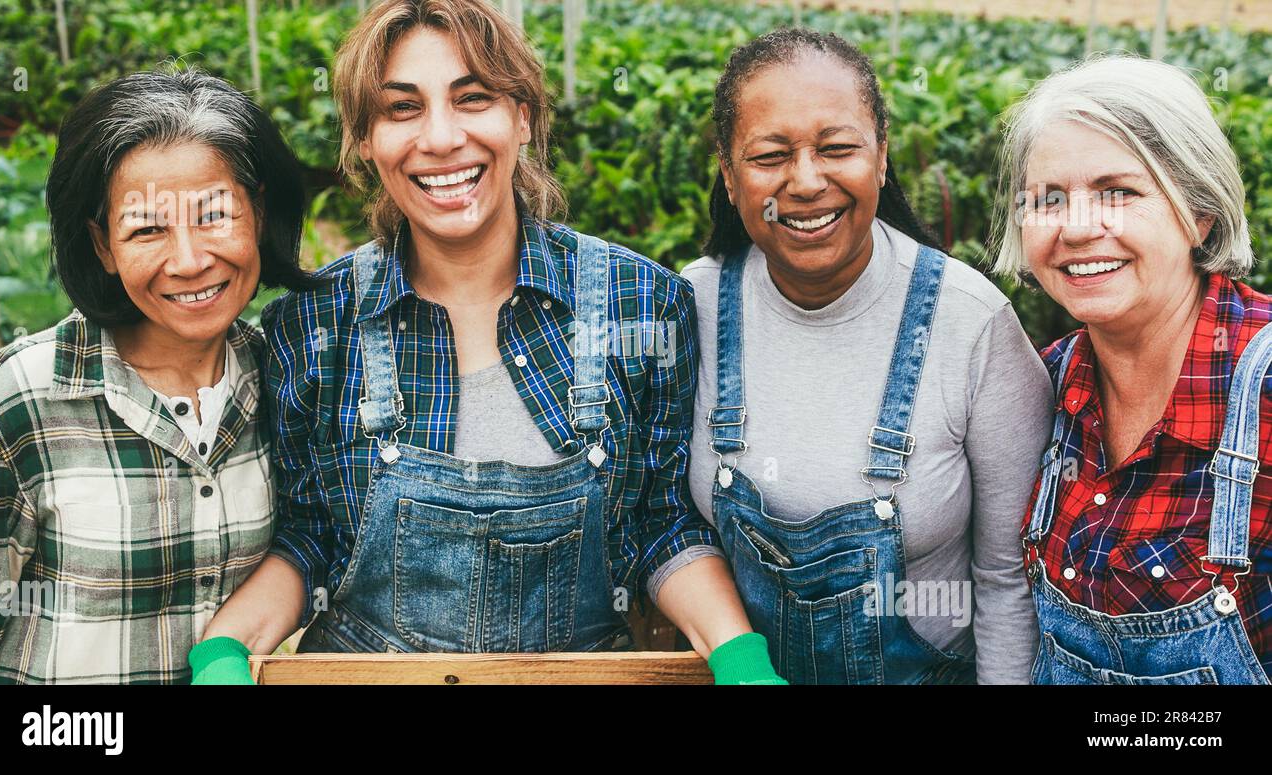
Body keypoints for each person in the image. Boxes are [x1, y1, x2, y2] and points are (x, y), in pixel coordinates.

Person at [189, 0, 782, 685]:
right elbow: (312, 537)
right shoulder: (314, 323)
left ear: (522, 117)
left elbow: (659, 525)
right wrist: (225, 648)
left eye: (473, 98)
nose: (441, 137)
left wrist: (741, 657)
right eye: (401, 108)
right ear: (364, 141)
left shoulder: (639, 302)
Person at [678, 28, 1050, 684]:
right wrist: (737, 661)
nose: (806, 180)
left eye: (837, 148)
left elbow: (1005, 582)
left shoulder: (970, 322)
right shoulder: (695, 304)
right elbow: (665, 522)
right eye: (769, 155)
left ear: (881, 156)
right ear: (730, 175)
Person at [0, 68, 319, 683]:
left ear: (258, 214)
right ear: (102, 245)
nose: (188, 260)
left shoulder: (284, 378)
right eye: (146, 229)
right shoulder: (18, 399)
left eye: (215, 215)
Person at [995, 55, 1271, 684]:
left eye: (1119, 192)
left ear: (1197, 211)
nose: (1078, 226)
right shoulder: (1041, 384)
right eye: (1048, 198)